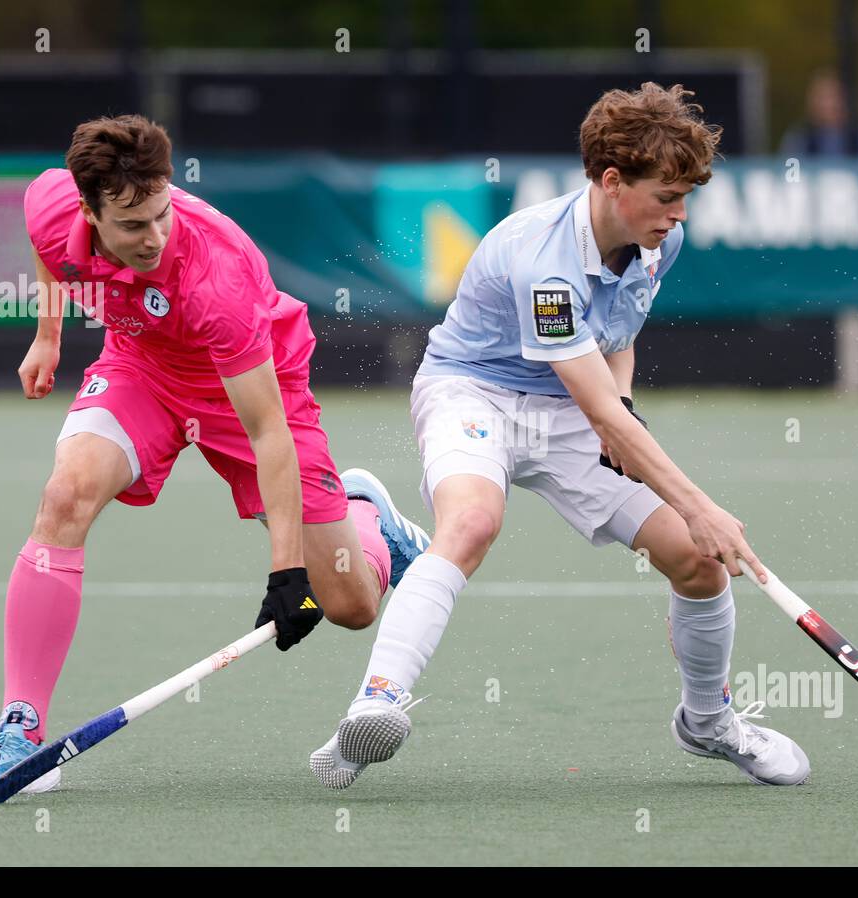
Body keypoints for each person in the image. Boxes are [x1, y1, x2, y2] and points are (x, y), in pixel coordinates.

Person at [310, 83, 810, 791]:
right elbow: (599, 413)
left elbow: (618, 341)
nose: (681, 212)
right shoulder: (544, 261)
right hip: (473, 390)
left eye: (685, 197)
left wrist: (627, 401)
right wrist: (695, 498)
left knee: (696, 562)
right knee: (475, 523)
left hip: (575, 403)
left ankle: (708, 724)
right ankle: (379, 699)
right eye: (668, 195)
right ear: (612, 181)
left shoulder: (657, 239)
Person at [0, 114, 431, 795]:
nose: (154, 237)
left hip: (250, 394)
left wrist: (286, 573)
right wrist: (47, 335)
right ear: (89, 210)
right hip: (143, 367)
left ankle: (372, 524)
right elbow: (46, 246)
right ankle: (18, 731)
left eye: (161, 215)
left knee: (350, 605)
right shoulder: (55, 206)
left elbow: (269, 434)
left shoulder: (216, 276)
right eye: (133, 224)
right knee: (65, 498)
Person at [779, 70, 858, 158]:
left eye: (832, 96)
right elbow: (790, 178)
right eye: (821, 97)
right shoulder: (797, 140)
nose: (827, 104)